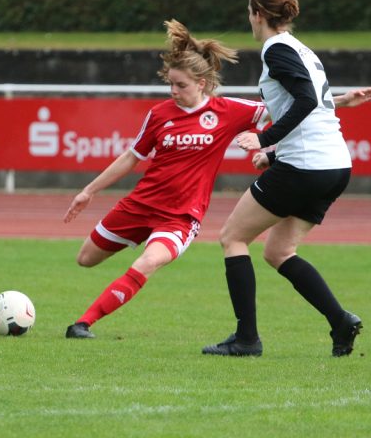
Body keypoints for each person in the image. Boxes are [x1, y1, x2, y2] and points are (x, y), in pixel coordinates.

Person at [201, 0, 371, 357]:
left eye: (249, 13)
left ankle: (246, 339)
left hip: (306, 165)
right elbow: (313, 102)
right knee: (279, 251)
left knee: (233, 237)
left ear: (258, 14)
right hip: (334, 165)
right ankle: (340, 321)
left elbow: (305, 99)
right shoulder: (300, 48)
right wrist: (342, 101)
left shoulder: (275, 49)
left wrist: (265, 140)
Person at [63, 19, 269, 339]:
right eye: (170, 84)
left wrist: (334, 102)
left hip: (180, 217)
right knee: (85, 259)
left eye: (181, 85)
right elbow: (131, 157)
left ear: (202, 83)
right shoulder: (159, 114)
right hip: (140, 204)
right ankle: (132, 249)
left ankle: (82, 324)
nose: (174, 91)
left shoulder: (228, 111)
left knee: (148, 262)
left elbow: (288, 109)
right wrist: (88, 191)